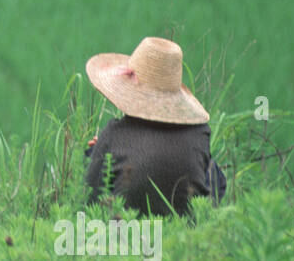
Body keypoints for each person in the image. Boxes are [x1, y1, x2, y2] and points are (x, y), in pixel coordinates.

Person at [83, 36, 227, 216]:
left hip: (130, 234)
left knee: (94, 161)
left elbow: (90, 198)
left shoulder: (114, 134)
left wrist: (101, 149)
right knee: (213, 171)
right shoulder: (200, 133)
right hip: (185, 235)